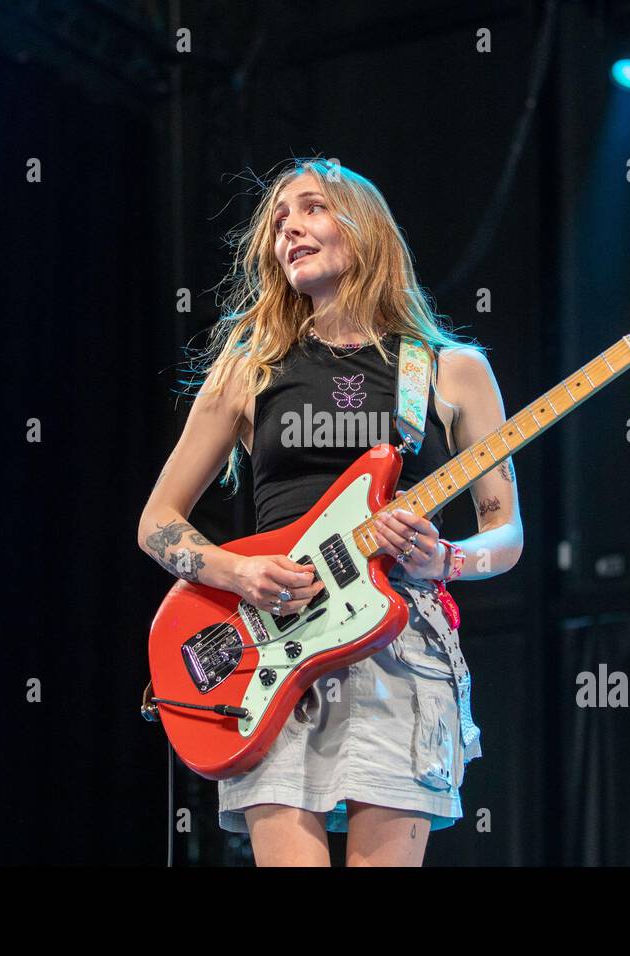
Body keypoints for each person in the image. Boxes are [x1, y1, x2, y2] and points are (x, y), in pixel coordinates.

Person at [137, 158, 523, 866]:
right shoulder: (248, 369)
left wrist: (446, 558)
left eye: (310, 209)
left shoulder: (448, 369)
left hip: (398, 646)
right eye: (279, 222)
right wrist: (234, 571)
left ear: (364, 228)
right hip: (271, 649)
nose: (290, 230)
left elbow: (506, 530)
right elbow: (158, 520)